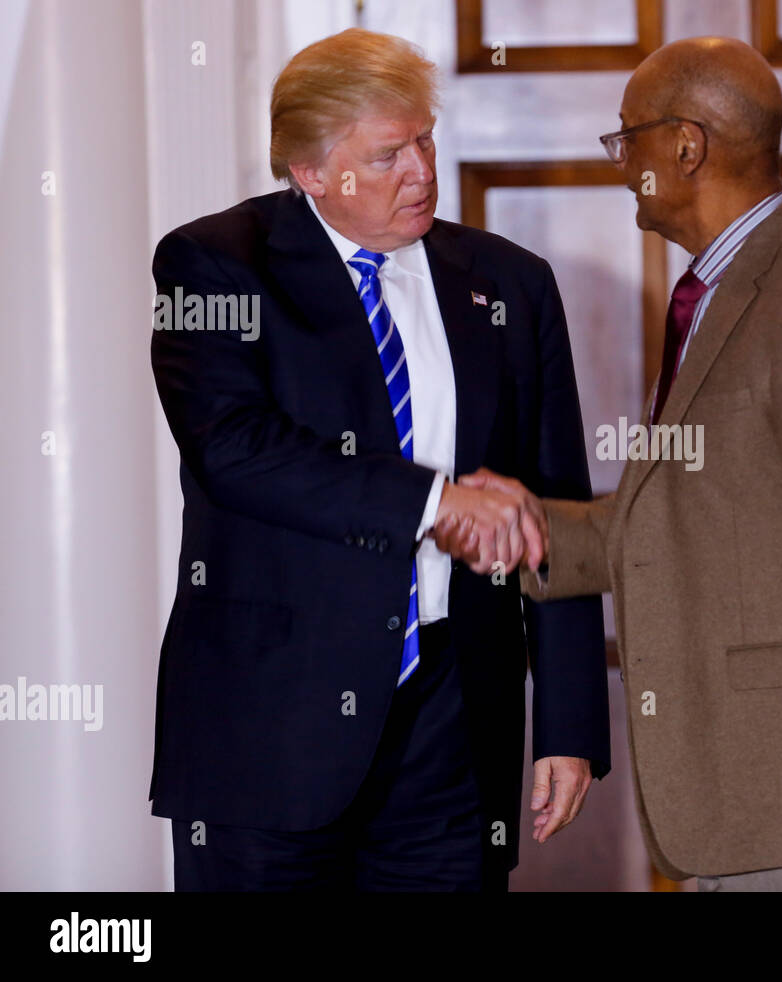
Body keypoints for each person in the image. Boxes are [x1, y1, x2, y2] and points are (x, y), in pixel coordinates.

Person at [437, 36, 782, 892]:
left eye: (629, 139)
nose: (621, 164)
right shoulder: (721, 292)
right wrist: (527, 529)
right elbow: (687, 514)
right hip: (745, 802)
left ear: (687, 146)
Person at [149, 28, 608, 891]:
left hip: (451, 734)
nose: (423, 171)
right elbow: (234, 451)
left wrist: (569, 723)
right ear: (311, 172)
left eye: (426, 140)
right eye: (388, 153)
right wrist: (435, 503)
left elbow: (552, 502)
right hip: (267, 737)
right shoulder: (214, 266)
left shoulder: (510, 283)